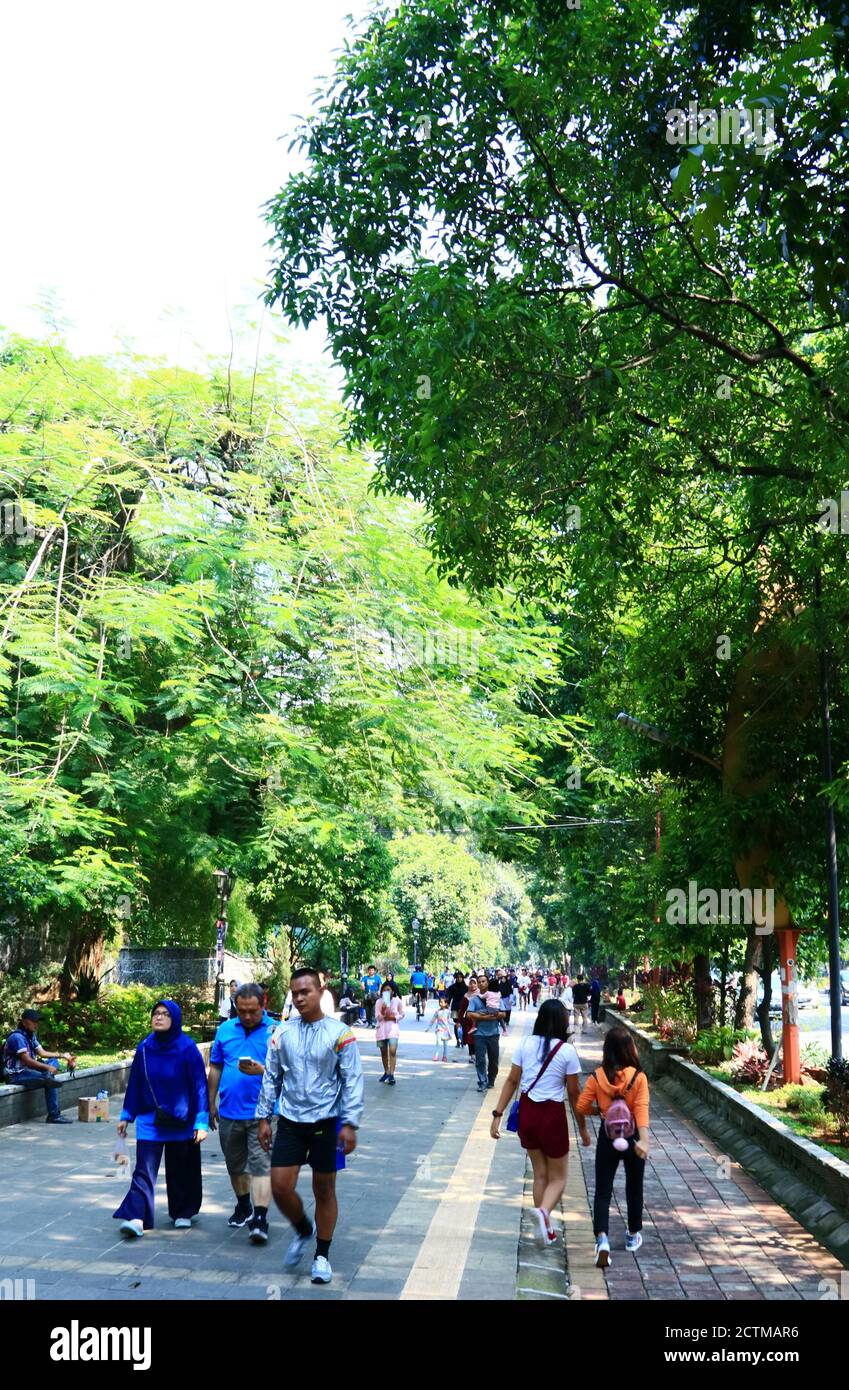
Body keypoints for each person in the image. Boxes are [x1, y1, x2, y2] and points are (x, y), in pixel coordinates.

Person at [256, 968, 363, 1287]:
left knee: (324, 1189)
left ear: (320, 991)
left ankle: (322, 1255)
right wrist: (264, 1117)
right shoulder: (281, 1033)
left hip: (326, 1122)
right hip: (289, 1120)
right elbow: (271, 1077)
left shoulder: (339, 1033)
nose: (299, 998)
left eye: (306, 991)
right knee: (279, 1186)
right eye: (295, 993)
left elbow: (352, 1079)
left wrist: (350, 1122)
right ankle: (303, 1228)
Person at [490, 999, 591, 1246]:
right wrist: (582, 1128)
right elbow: (574, 1094)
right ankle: (544, 1213)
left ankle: (544, 1230)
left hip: (528, 1113)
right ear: (562, 1022)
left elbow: (512, 1080)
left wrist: (497, 1114)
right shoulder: (567, 1052)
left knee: (540, 1175)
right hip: (552, 1114)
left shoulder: (525, 1043)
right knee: (559, 1178)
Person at [114, 1000, 210, 1236]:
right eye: (155, 1013)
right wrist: (127, 1115)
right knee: (144, 1170)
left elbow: (199, 1087)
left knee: (181, 1169)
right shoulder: (145, 1047)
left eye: (165, 1014)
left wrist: (201, 1121)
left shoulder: (188, 1049)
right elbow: (135, 1082)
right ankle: (137, 1217)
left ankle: (182, 1212)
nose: (158, 1017)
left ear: (175, 1019)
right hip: (150, 1119)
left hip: (181, 1119)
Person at [575, 1025, 650, 1268]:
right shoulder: (638, 1077)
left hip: (608, 1136)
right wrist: (644, 1140)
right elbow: (640, 1109)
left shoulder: (597, 1076)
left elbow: (581, 1106)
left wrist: (601, 1111)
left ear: (607, 1050)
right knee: (634, 1186)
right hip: (632, 1138)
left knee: (603, 1190)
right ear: (630, 1049)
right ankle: (632, 1235)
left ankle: (603, 1240)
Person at [208, 983, 277, 1242]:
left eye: (253, 1011)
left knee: (261, 1165)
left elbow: (288, 1073)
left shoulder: (276, 1032)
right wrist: (210, 1103)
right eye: (242, 1011)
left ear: (264, 1005)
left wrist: (262, 1070)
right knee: (235, 1164)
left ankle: (260, 1218)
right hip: (229, 1111)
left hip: (264, 1114)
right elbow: (215, 1067)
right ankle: (244, 1205)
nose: (247, 1016)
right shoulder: (225, 1029)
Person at [2, 1009, 76, 1123]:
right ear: (24, 1022)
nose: (37, 1024)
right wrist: (47, 1068)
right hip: (16, 1075)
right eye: (34, 1021)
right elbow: (27, 1060)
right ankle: (53, 1115)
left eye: (37, 1022)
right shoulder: (17, 1037)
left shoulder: (31, 1035)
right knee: (49, 1080)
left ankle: (48, 1076)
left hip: (28, 1071)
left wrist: (63, 1056)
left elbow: (42, 1053)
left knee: (53, 1061)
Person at [466, 973, 505, 1092]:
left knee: (493, 1060)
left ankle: (491, 1080)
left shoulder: (496, 996)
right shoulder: (474, 999)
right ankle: (482, 1081)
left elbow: (503, 1013)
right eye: (479, 982)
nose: (481, 983)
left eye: (484, 981)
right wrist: (488, 1017)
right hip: (479, 1034)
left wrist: (480, 1016)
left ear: (488, 983)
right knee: (480, 1060)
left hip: (493, 1033)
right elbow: (469, 1014)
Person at [375, 980, 405, 1083]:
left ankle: (392, 1074)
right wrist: (383, 1011)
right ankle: (386, 1071)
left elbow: (402, 1013)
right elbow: (377, 1017)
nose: (386, 992)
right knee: (383, 1052)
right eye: (384, 990)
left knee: (392, 1051)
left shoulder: (397, 1001)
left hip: (393, 1029)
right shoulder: (379, 1002)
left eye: (388, 990)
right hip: (381, 1030)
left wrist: (395, 1017)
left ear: (393, 991)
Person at [446, 971, 468, 1046]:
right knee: (456, 1023)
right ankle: (457, 1041)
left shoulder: (466, 988)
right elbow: (449, 997)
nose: (459, 979)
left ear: (463, 978)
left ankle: (463, 1040)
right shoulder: (452, 987)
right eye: (457, 978)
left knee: (464, 1023)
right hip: (455, 1007)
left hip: (464, 1008)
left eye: (460, 977)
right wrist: (447, 1004)